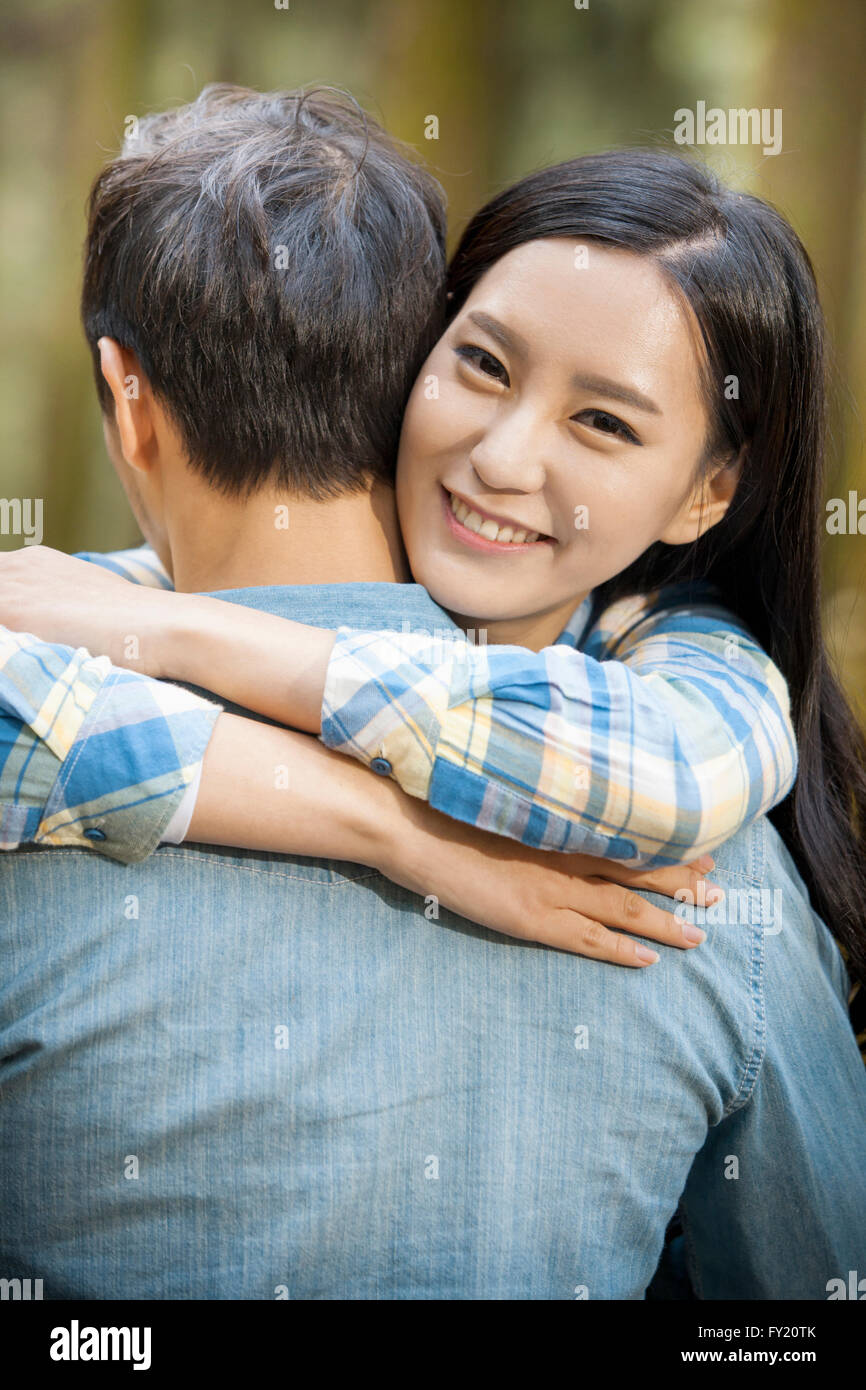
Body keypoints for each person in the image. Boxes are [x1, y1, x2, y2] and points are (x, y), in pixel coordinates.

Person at [0, 85, 864, 1299]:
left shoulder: (684, 760)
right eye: (483, 364)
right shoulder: (719, 897)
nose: (505, 458)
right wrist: (396, 831)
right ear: (409, 354)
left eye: (603, 421)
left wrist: (171, 633)